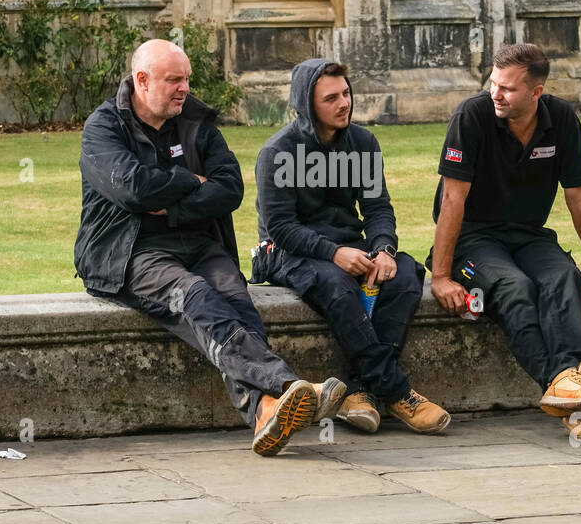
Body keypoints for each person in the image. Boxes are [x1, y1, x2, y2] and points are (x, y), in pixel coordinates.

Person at [74, 39, 347, 456]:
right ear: (142, 81)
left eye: (186, 79)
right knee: (196, 295)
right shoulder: (104, 126)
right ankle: (287, 384)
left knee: (237, 299)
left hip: (198, 240)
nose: (184, 88)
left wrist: (171, 206)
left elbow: (230, 189)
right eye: (174, 80)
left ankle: (264, 411)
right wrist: (190, 181)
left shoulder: (197, 122)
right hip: (128, 250)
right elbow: (131, 188)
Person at [427, 43, 581, 442]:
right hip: (473, 237)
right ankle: (574, 397)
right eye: (493, 83)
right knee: (514, 286)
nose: (496, 93)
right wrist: (442, 276)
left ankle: (570, 389)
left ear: (536, 92)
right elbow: (452, 199)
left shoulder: (562, 119)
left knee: (563, 276)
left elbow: (579, 198)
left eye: (508, 88)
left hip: (528, 235)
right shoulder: (472, 115)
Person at [254, 58, 449, 434]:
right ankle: (397, 392)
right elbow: (280, 227)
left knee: (406, 274)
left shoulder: (362, 142)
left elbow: (377, 208)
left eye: (346, 94)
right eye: (331, 98)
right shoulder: (278, 152)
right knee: (338, 284)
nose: (344, 103)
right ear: (308, 105)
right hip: (286, 251)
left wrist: (383, 250)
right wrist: (333, 253)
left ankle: (360, 391)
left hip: (347, 243)